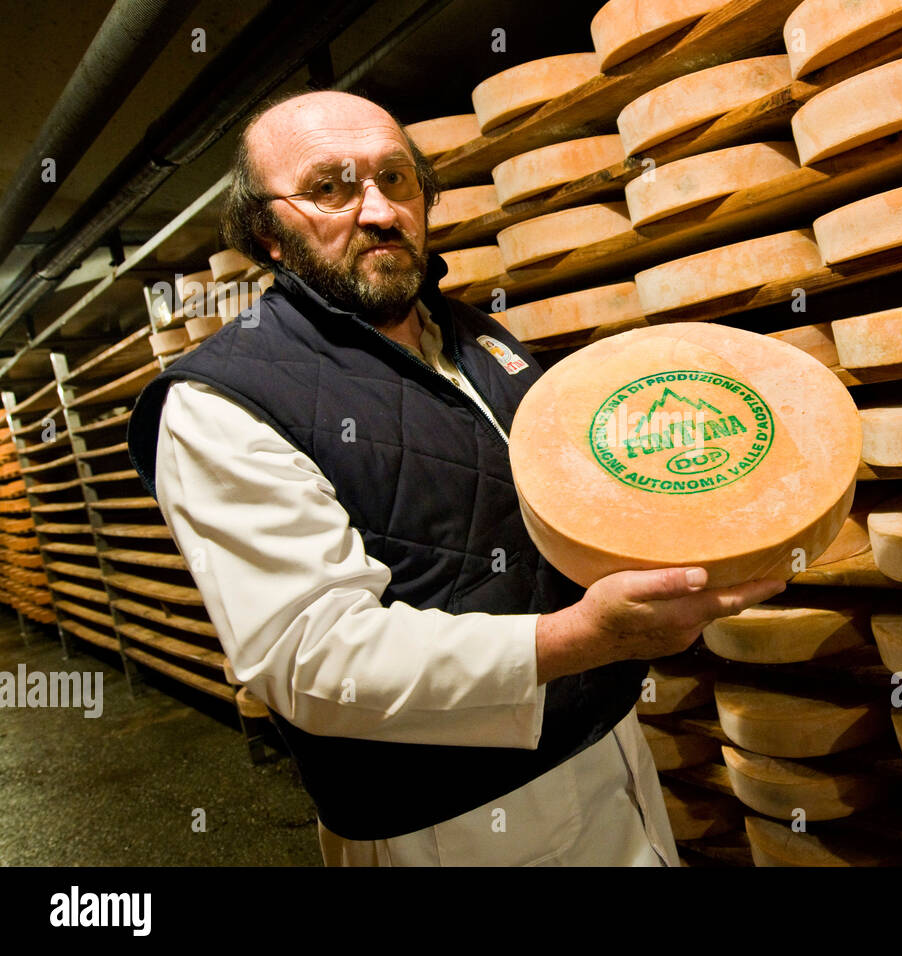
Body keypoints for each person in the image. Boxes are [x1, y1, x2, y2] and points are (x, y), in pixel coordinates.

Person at [125, 90, 785, 866]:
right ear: (268, 235)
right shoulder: (218, 401)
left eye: (396, 180)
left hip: (607, 749)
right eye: (330, 189)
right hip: (447, 821)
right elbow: (313, 661)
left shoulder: (478, 337)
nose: (378, 212)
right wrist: (579, 639)